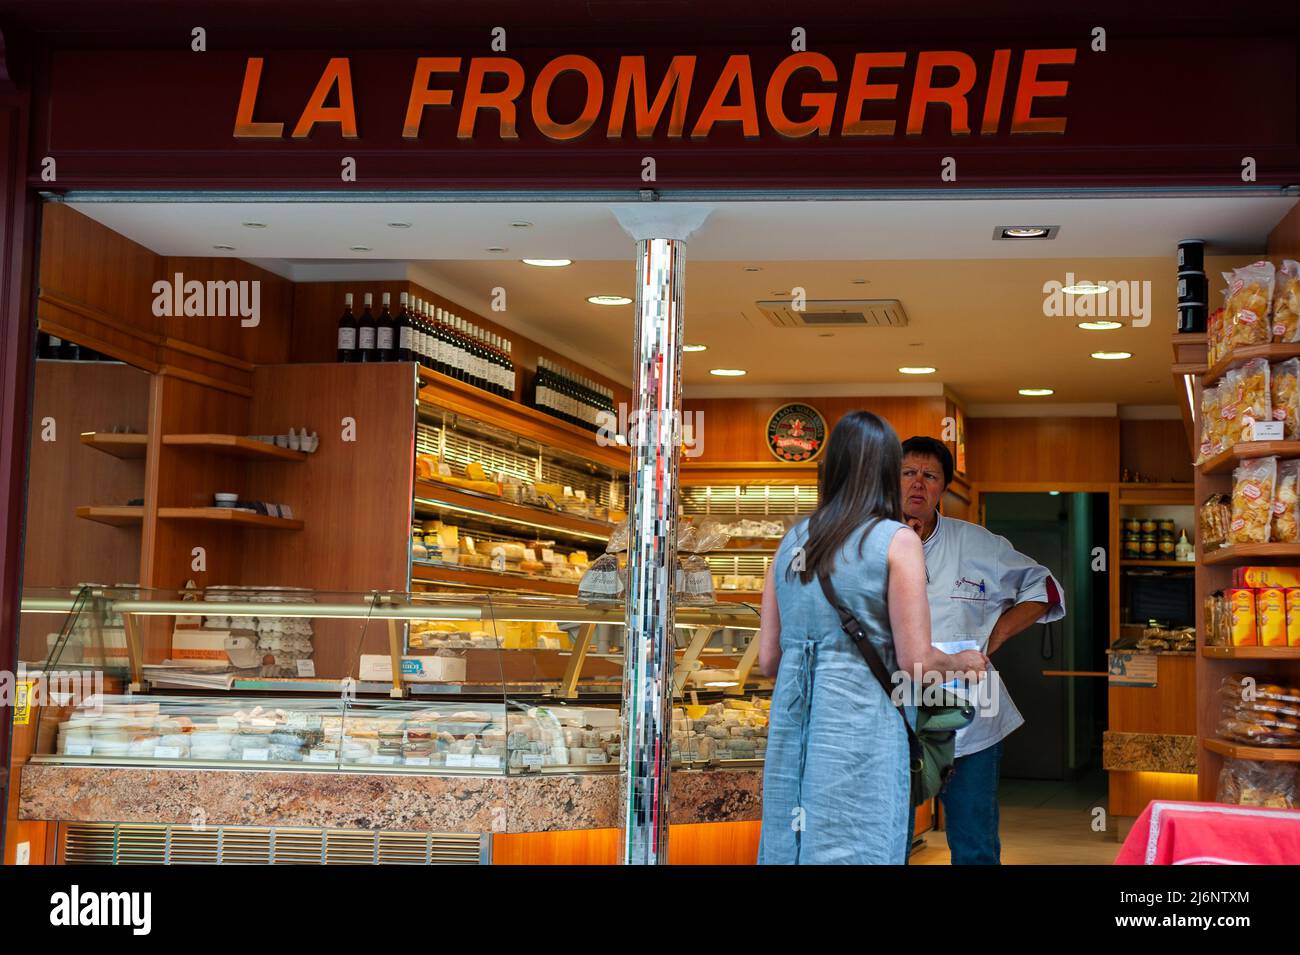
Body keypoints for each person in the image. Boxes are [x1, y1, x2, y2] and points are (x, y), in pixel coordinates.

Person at [756, 412, 987, 865]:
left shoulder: (791, 542)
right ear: (886, 471)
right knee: (857, 845)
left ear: (833, 467)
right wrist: (965, 661)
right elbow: (915, 661)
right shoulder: (896, 540)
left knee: (793, 846)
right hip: (859, 733)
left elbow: (768, 660)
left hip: (794, 733)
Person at [899, 435, 1066, 865]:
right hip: (894, 712)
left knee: (974, 844)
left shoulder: (976, 544)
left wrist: (998, 634)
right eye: (908, 473)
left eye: (930, 476)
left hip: (970, 716)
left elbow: (1043, 587)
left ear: (942, 488)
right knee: (886, 839)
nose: (918, 483)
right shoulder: (870, 542)